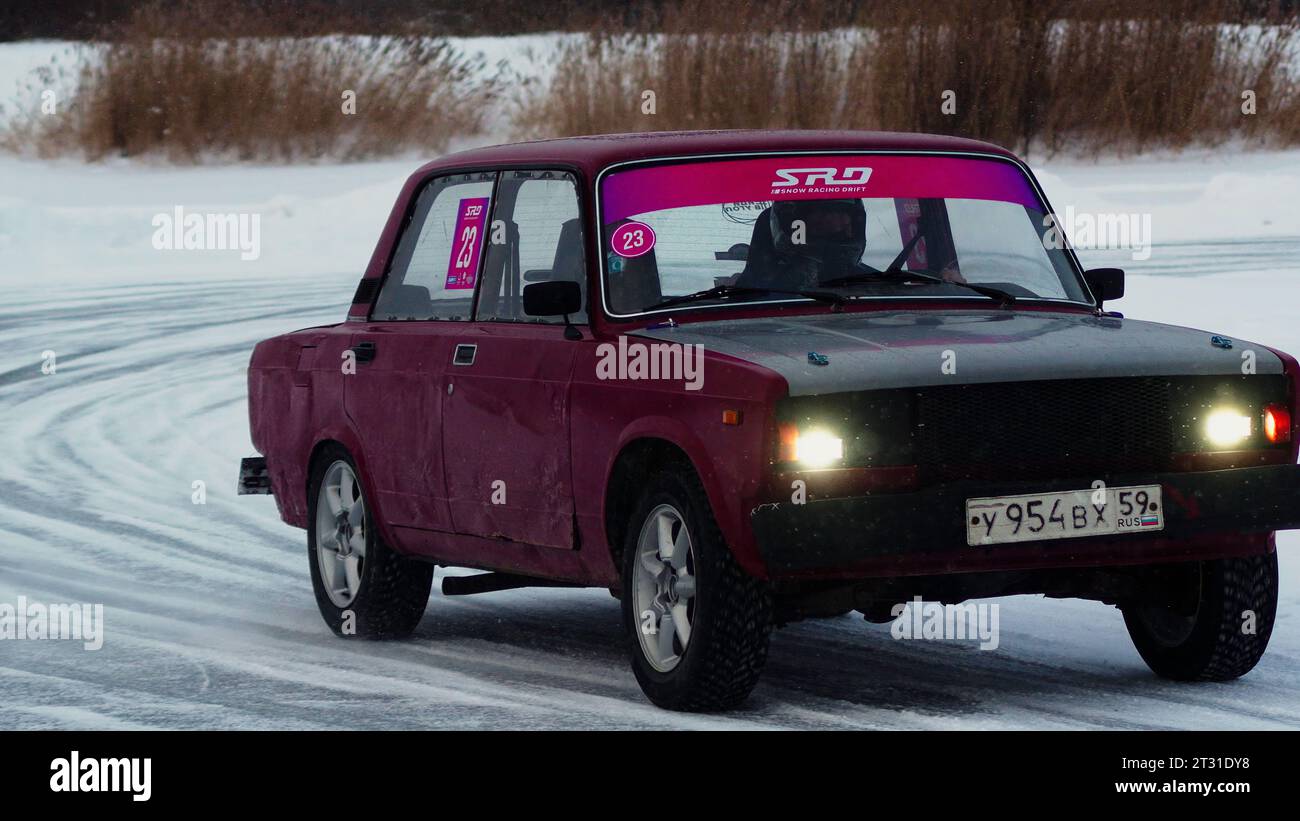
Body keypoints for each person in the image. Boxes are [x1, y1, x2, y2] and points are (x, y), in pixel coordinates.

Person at [737, 198, 867, 290]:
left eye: (841, 211)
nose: (830, 219)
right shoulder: (757, 287)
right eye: (820, 211)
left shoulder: (873, 282)